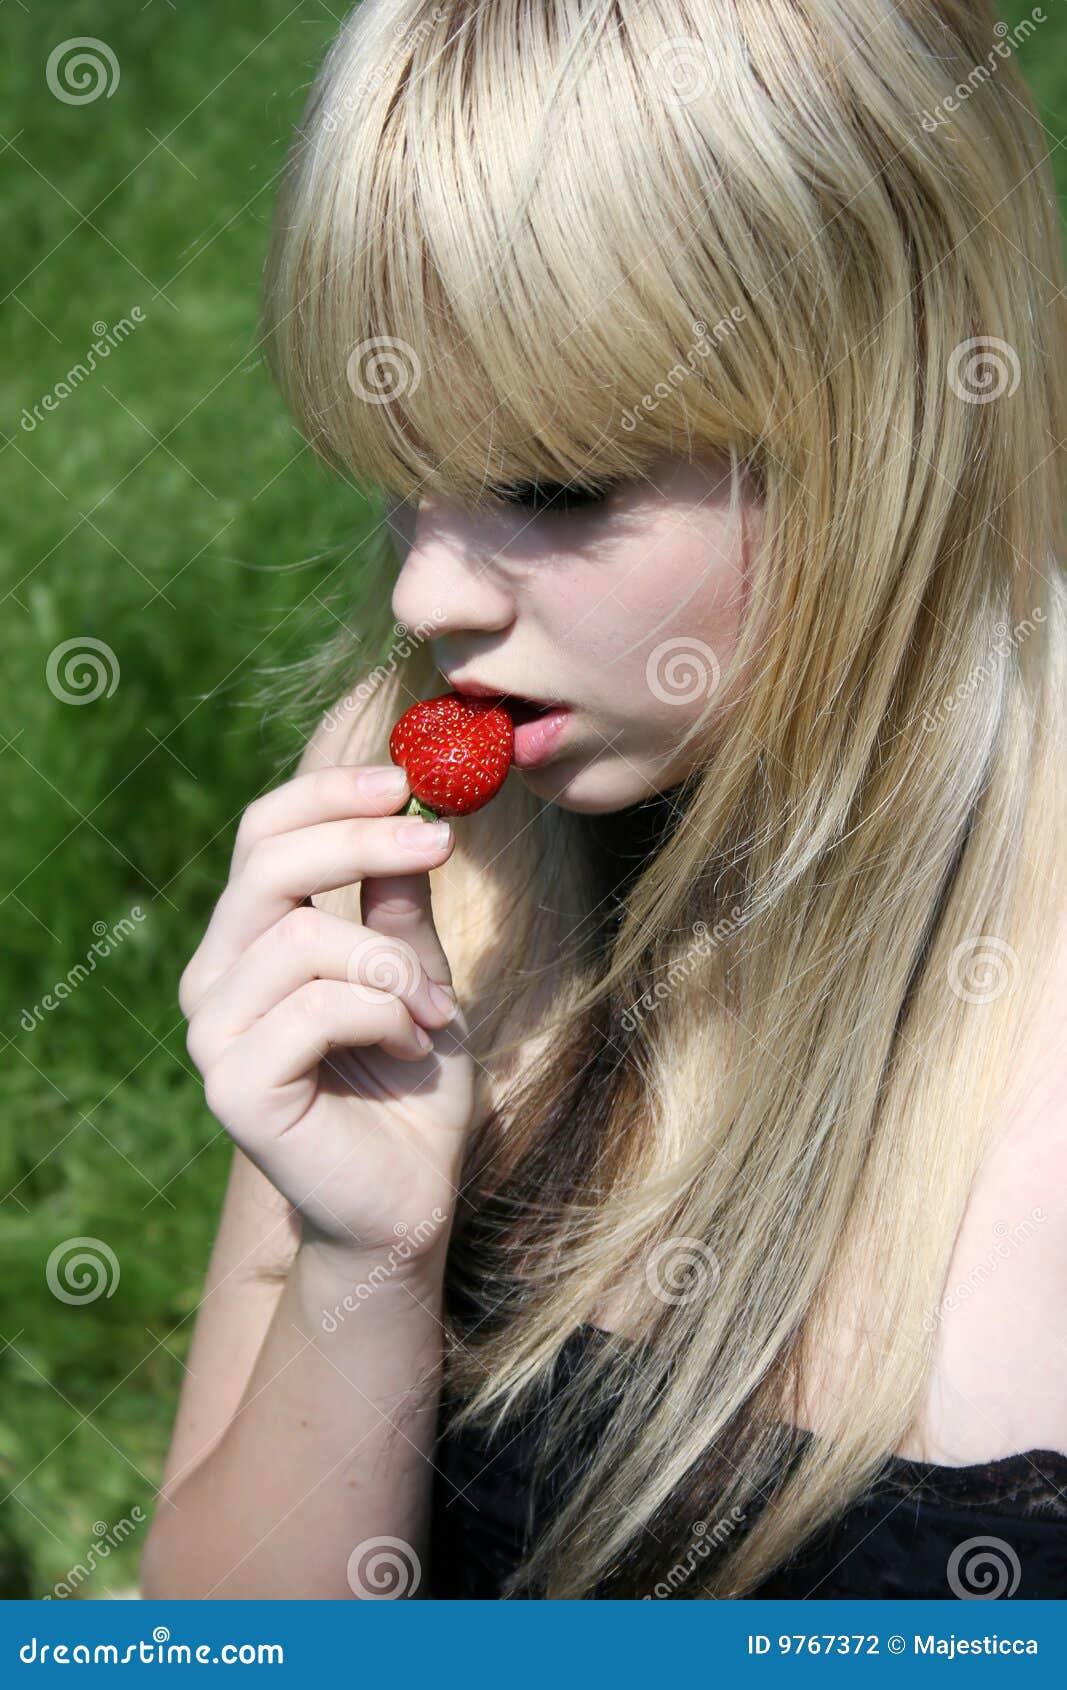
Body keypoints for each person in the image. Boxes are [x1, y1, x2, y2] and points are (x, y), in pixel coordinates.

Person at [140, 0, 1067, 1600]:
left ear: (896, 413)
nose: (430, 588)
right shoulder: (430, 841)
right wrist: (366, 1261)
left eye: (555, 489)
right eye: (404, 465)